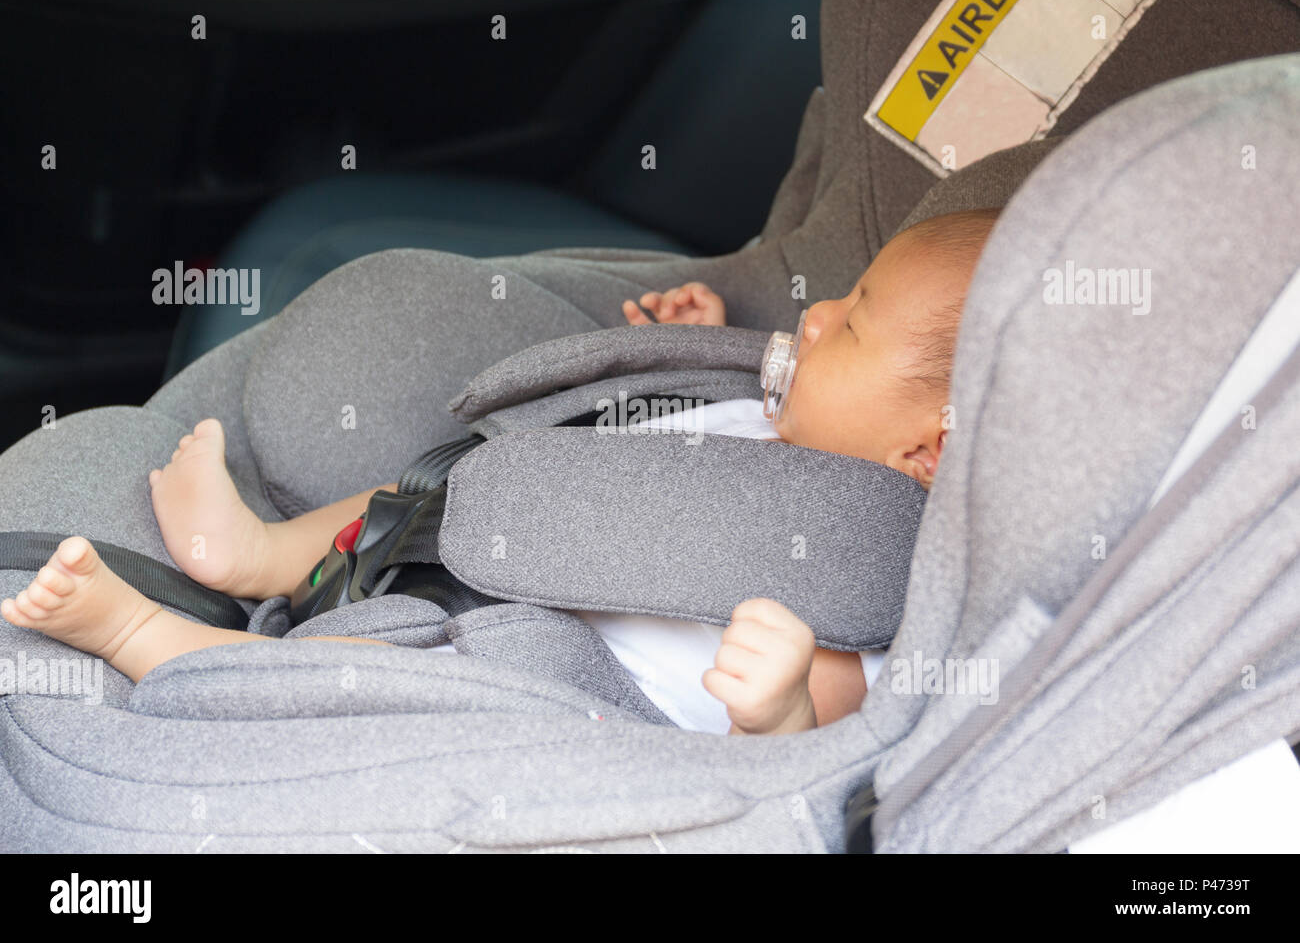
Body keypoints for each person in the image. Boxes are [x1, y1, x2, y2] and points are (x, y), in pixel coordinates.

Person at [1, 208, 1000, 736]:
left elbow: (800, 776)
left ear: (928, 451)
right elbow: (644, 412)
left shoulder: (866, 589)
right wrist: (702, 344)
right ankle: (264, 556)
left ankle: (146, 635)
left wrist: (775, 708)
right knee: (456, 480)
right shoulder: (776, 414)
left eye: (856, 320)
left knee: (357, 700)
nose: (818, 314)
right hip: (485, 527)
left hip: (531, 676)